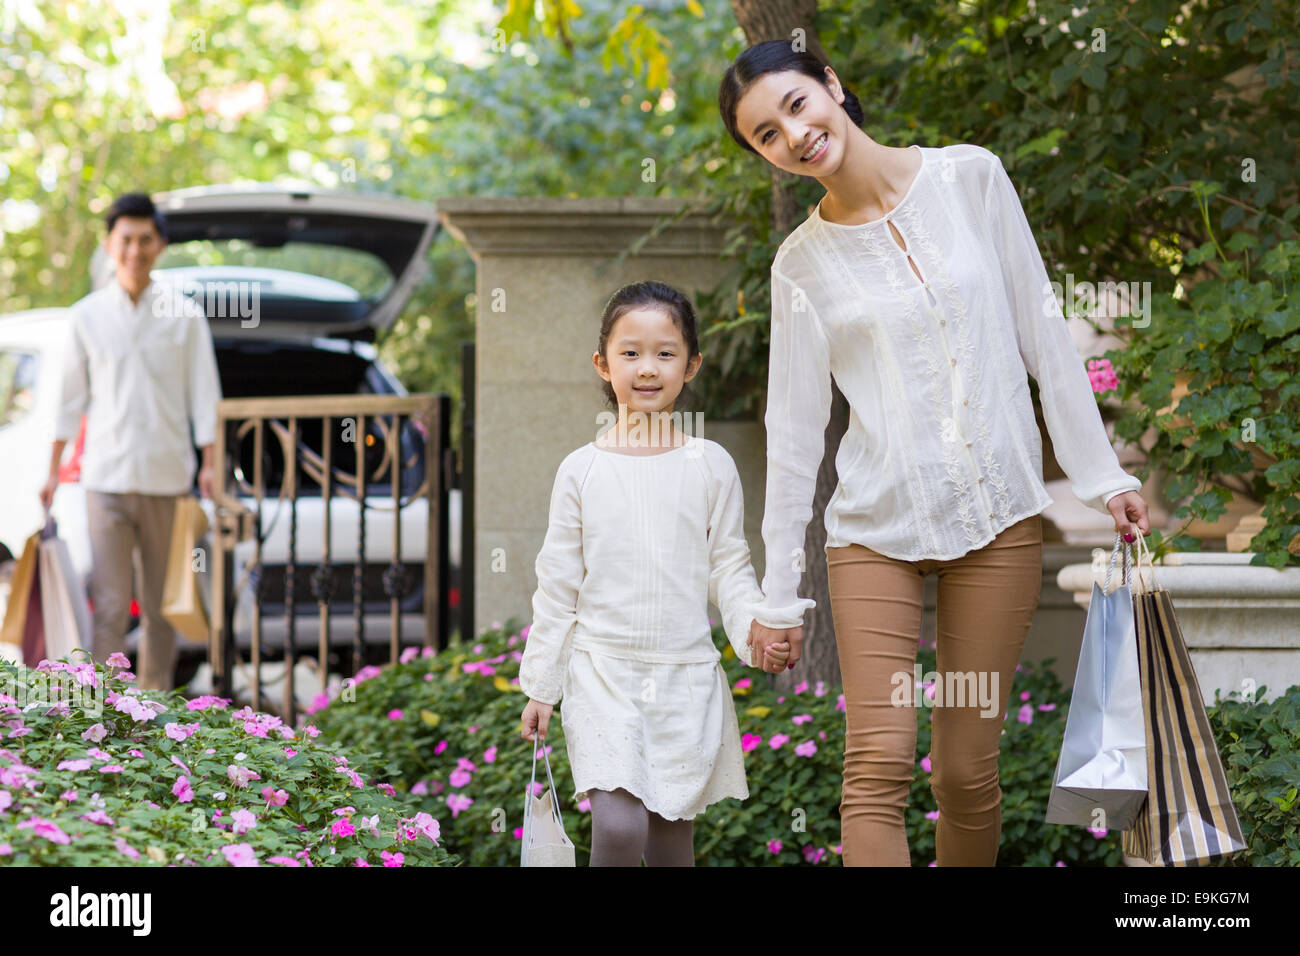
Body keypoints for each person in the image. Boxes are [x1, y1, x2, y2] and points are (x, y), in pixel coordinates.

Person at [718, 41, 1152, 866]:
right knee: (878, 764)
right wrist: (777, 595)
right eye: (767, 135)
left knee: (963, 772)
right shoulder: (800, 265)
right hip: (873, 530)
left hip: (999, 519)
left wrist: (1102, 476)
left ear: (833, 87)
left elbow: (1042, 333)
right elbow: (796, 430)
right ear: (765, 158)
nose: (795, 135)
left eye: (797, 105)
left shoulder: (970, 178)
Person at [517, 280, 789, 866]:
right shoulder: (581, 471)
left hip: (684, 677)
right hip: (601, 674)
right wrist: (542, 684)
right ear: (602, 363)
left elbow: (729, 568)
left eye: (665, 353)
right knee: (617, 827)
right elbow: (558, 586)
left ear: (691, 365)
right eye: (630, 352)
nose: (647, 368)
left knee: (671, 841)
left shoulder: (711, 466)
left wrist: (756, 629)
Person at [41, 192, 222, 690]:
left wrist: (211, 465)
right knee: (112, 604)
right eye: (126, 240)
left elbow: (206, 398)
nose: (135, 250)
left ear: (160, 245)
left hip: (167, 478)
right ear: (109, 244)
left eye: (146, 239)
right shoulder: (87, 316)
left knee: (165, 605)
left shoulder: (185, 316)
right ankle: (104, 713)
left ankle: (157, 711)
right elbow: (68, 403)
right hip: (107, 478)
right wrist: (52, 472)